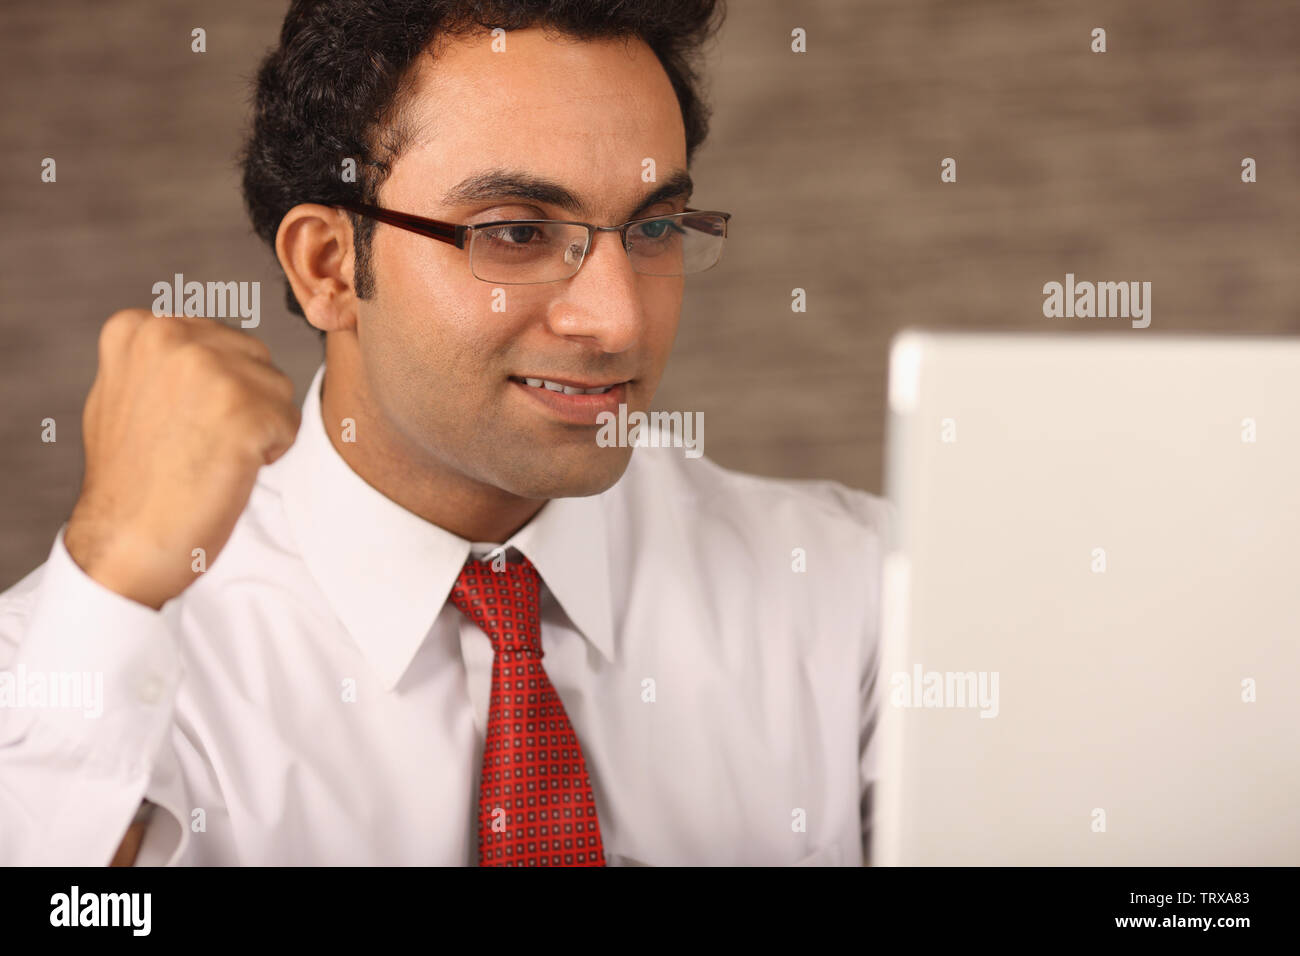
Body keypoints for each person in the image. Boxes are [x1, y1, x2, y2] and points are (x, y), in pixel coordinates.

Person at [0, 0, 885, 866]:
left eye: (653, 227)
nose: (618, 322)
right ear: (328, 266)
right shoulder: (61, 671)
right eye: (516, 233)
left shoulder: (868, 601)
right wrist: (112, 586)